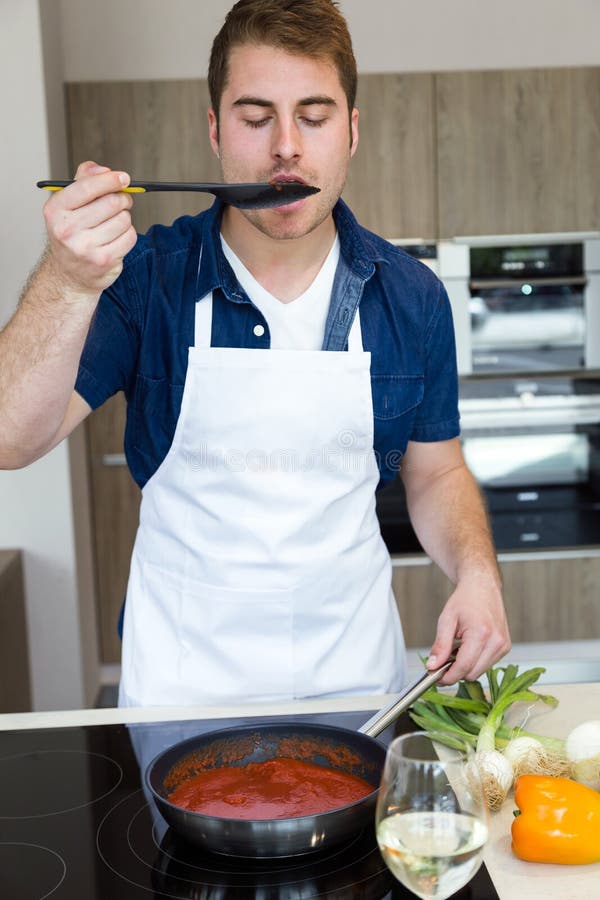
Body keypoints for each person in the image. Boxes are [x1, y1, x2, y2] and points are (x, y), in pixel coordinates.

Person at [0, 0, 510, 707]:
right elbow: (8, 439)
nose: (286, 148)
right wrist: (65, 278)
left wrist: (478, 574)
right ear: (215, 129)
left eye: (314, 114)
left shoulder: (412, 297)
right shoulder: (145, 279)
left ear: (352, 131)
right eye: (255, 115)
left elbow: (436, 473)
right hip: (181, 702)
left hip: (357, 696)